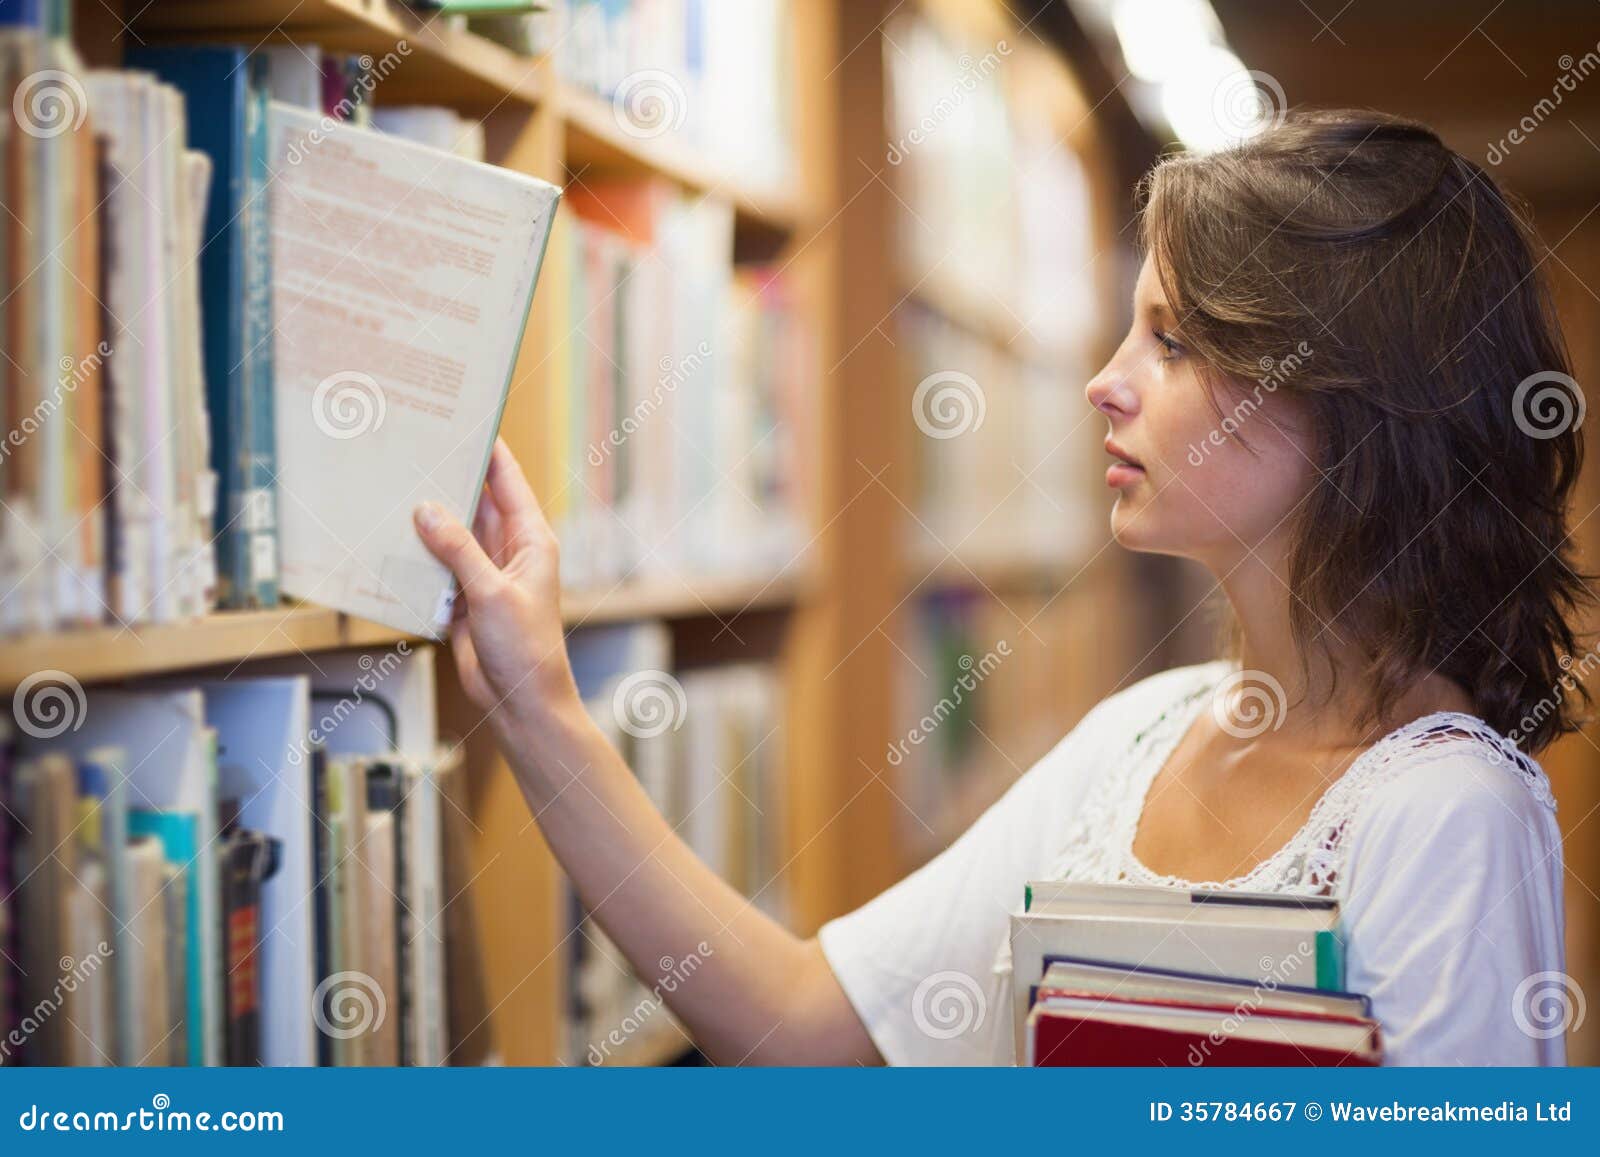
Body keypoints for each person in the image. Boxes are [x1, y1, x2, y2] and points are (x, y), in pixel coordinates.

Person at [412, 108, 1585, 1066]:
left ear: (1341, 397)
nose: (1103, 384)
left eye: (1172, 341)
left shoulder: (1444, 813)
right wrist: (537, 700)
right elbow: (810, 1020)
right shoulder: (1143, 733)